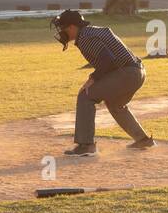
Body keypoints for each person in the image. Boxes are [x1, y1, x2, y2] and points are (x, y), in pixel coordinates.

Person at [51, 9, 154, 156]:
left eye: (63, 28)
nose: (61, 32)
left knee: (85, 96)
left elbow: (107, 61)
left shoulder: (85, 37)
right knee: (115, 104)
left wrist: (91, 79)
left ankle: (86, 145)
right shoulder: (91, 32)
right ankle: (142, 139)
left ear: (72, 27)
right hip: (137, 72)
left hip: (127, 73)